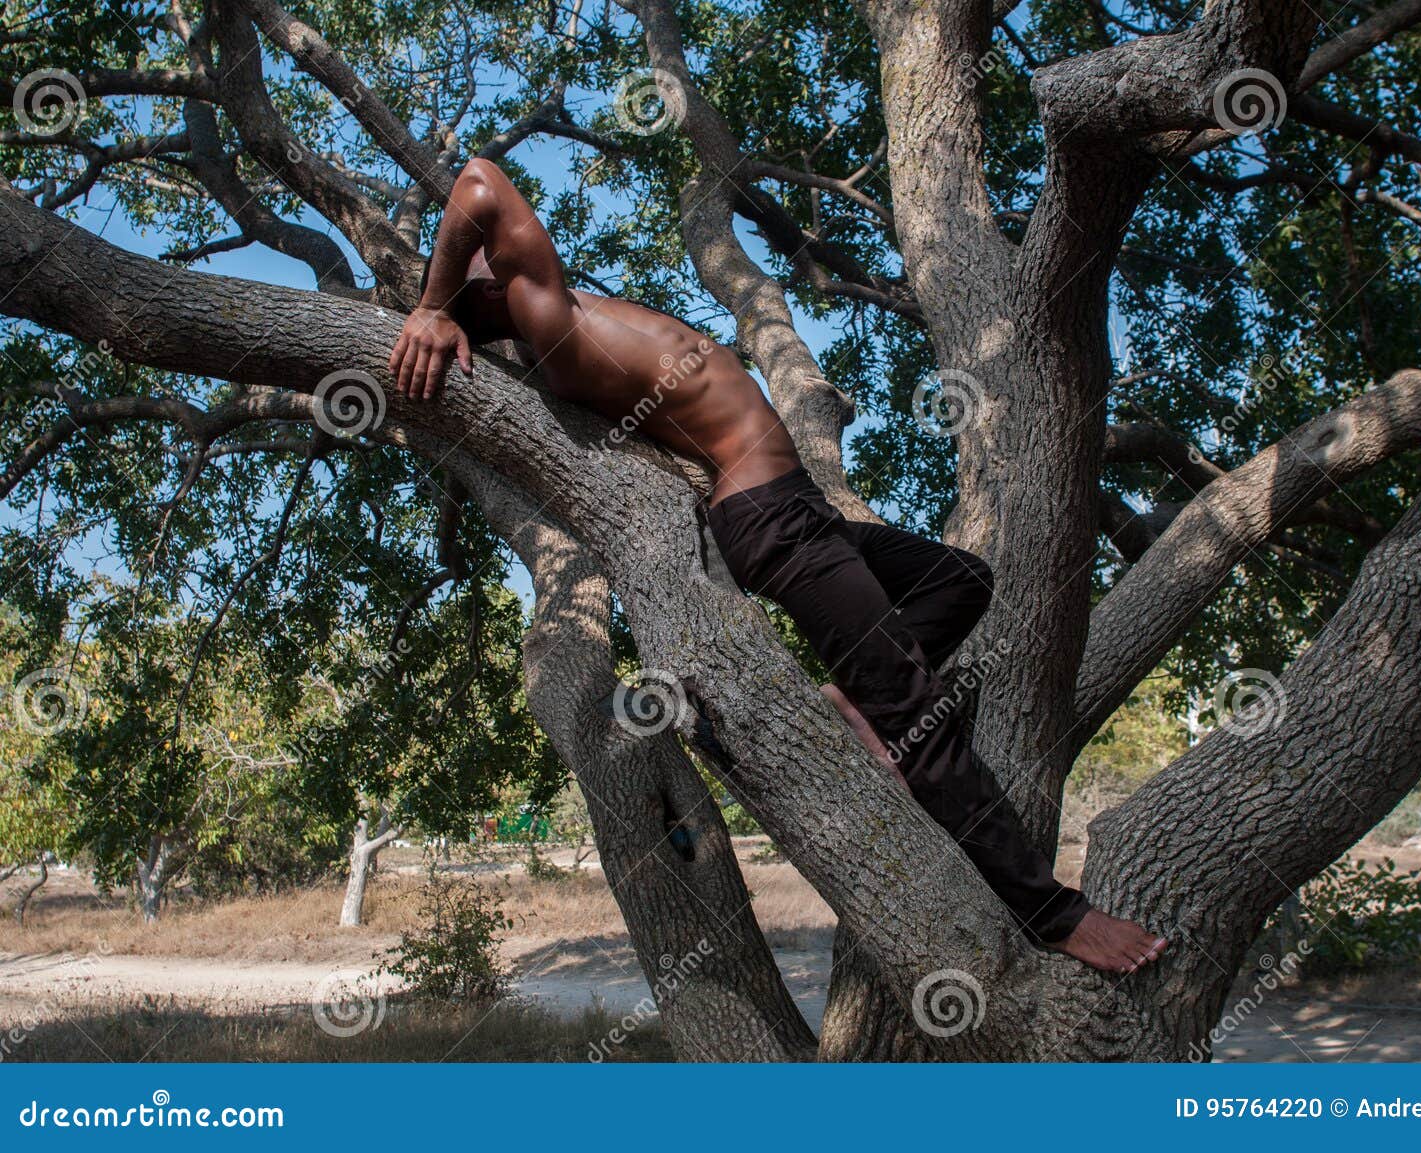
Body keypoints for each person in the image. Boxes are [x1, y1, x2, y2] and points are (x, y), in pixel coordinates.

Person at [389, 158, 1168, 975]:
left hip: (798, 512)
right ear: (485, 290)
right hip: (774, 523)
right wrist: (430, 308)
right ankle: (1054, 912)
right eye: (475, 262)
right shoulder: (548, 318)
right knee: (915, 709)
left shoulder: (565, 312)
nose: (481, 251)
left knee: (962, 581)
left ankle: (849, 701)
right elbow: (479, 183)